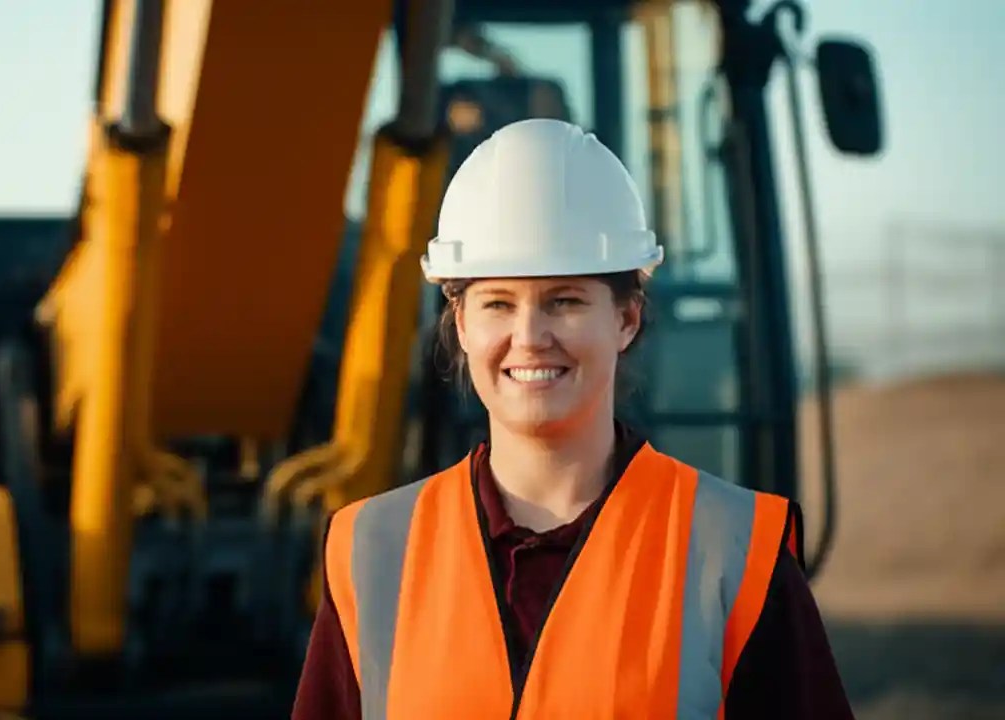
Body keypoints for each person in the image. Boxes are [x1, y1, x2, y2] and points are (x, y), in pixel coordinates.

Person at [290, 118, 853, 719]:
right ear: (461, 324)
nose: (530, 338)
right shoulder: (373, 553)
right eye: (498, 304)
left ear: (627, 319)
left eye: (565, 301)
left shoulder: (735, 554)